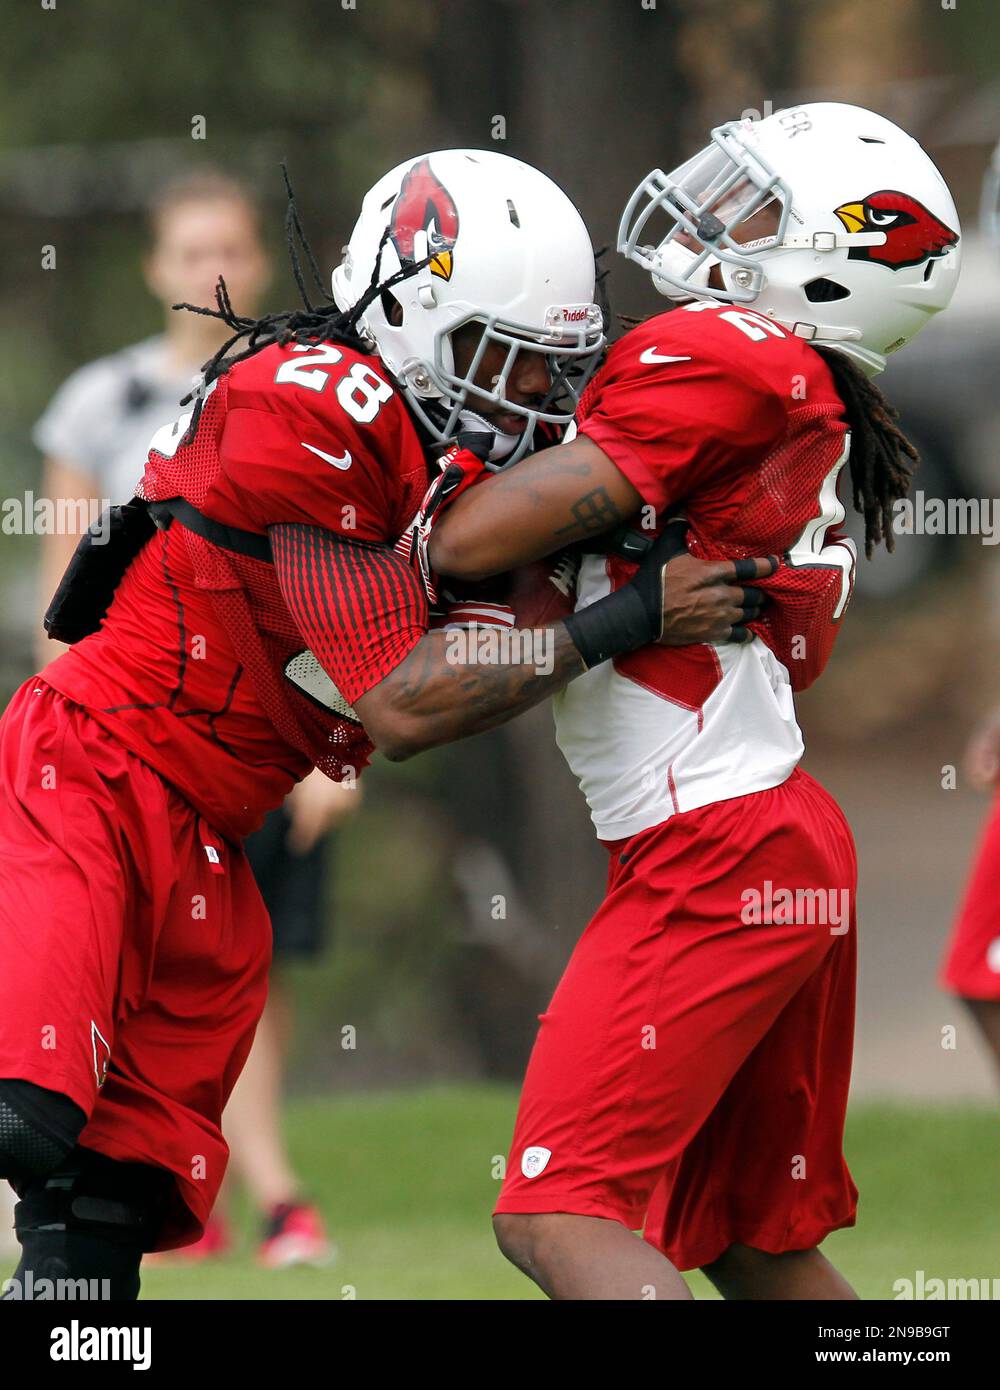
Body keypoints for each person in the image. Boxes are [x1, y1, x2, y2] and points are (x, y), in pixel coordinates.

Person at [0, 147, 767, 1299]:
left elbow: (474, 642)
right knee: (27, 1116)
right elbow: (404, 701)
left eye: (547, 367)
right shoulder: (310, 402)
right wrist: (624, 617)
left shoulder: (441, 459)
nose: (527, 396)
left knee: (104, 1207)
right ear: (409, 311)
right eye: (498, 356)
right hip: (99, 772)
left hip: (216, 828)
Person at [427, 103, 962, 1299]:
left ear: (835, 267)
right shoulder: (790, 388)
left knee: (557, 1210)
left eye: (758, 206)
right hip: (769, 834)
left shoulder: (732, 353)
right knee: (755, 1242)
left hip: (711, 848)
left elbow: (473, 539)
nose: (715, 213)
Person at [31, 168, 352, 1270]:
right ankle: (140, 1194)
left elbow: (341, 596)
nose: (207, 269)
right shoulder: (100, 401)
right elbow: (61, 597)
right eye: (185, 249)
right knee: (107, 968)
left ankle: (268, 1190)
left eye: (228, 247)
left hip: (256, 746)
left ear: (258, 262)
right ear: (153, 268)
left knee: (240, 970)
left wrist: (328, 758)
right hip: (125, 742)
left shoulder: (303, 396)